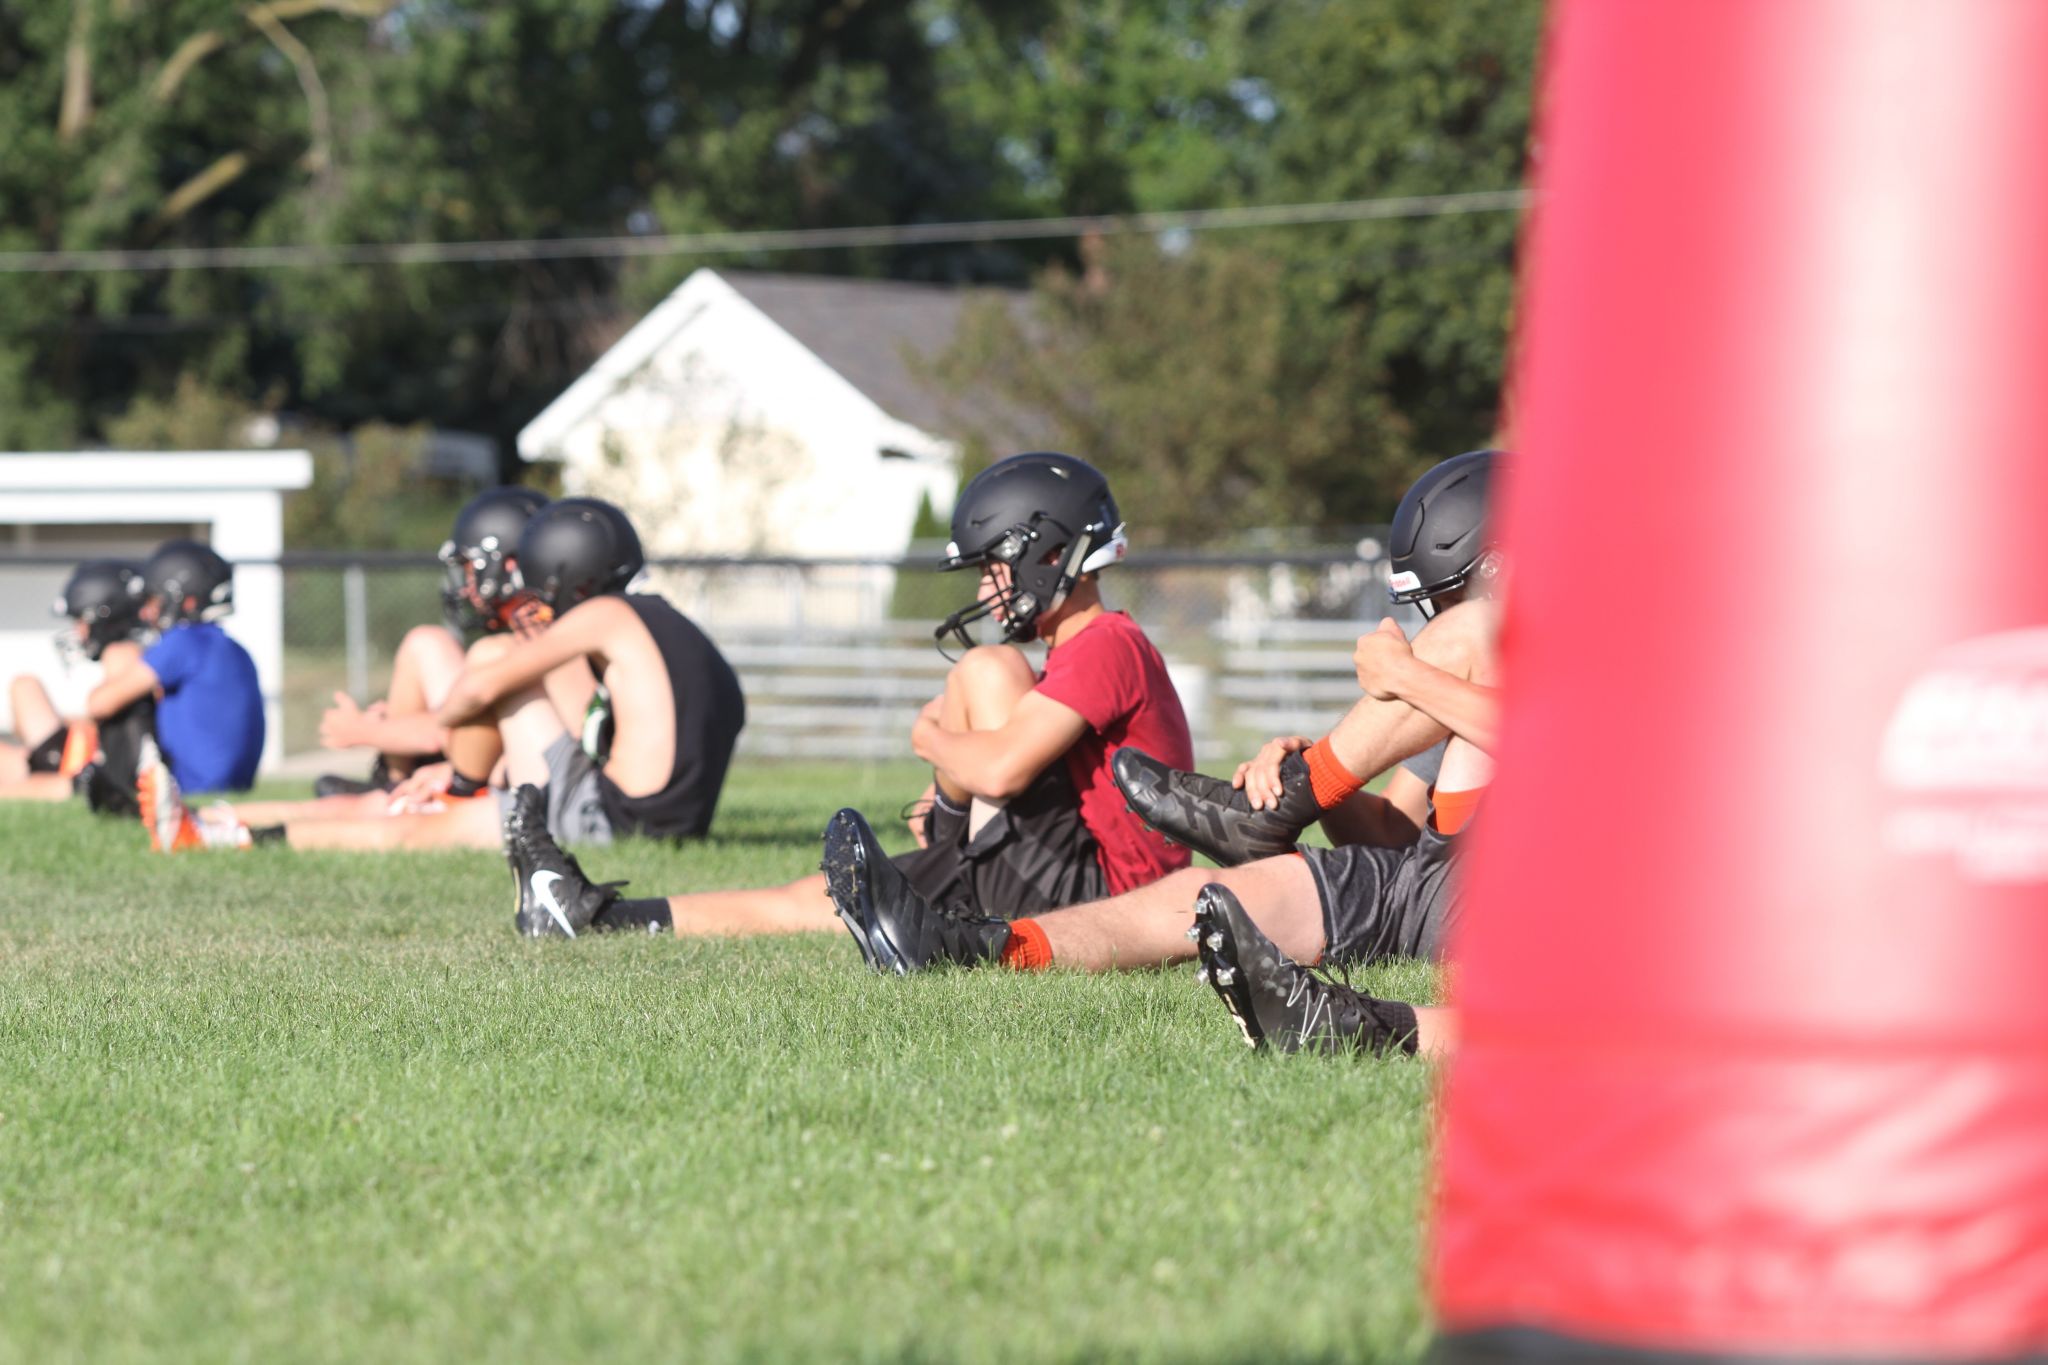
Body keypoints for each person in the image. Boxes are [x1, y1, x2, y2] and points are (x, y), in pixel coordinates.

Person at [823, 450, 1504, 980]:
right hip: (1427, 889)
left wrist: (1406, 676)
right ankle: (980, 949)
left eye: (1449, 600)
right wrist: (1324, 786)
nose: (1436, 627)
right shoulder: (1469, 686)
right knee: (1210, 890)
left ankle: (1276, 810)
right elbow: (1393, 832)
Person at [499, 450, 1195, 941]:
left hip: (1100, 896)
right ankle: (597, 914)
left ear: (1050, 555)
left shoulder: (1108, 643)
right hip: (1062, 878)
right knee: (816, 899)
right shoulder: (1086, 650)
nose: (987, 589)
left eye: (995, 568)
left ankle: (952, 829)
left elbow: (1002, 770)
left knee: (985, 670)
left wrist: (929, 737)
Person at [143, 496, 747, 853]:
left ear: (567, 576)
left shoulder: (607, 617)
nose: (532, 600)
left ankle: (223, 831)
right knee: (405, 811)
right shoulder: (666, 624)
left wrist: (429, 750)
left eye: (539, 584)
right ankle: (220, 823)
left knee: (417, 812)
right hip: (642, 814)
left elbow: (486, 683)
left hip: (609, 818)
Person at [310, 485, 549, 799]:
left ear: (508, 564)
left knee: (484, 657)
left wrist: (366, 731)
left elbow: (451, 725)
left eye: (470, 567)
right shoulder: (530, 628)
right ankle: (393, 782)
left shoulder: (547, 633)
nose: (466, 586)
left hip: (503, 770)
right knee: (427, 642)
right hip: (480, 752)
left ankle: (399, 790)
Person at [0, 560, 150, 803]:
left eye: (81, 620)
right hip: (85, 759)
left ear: (104, 614)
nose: (77, 630)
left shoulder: (123, 654)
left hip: (94, 775)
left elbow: (101, 706)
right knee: (24, 686)